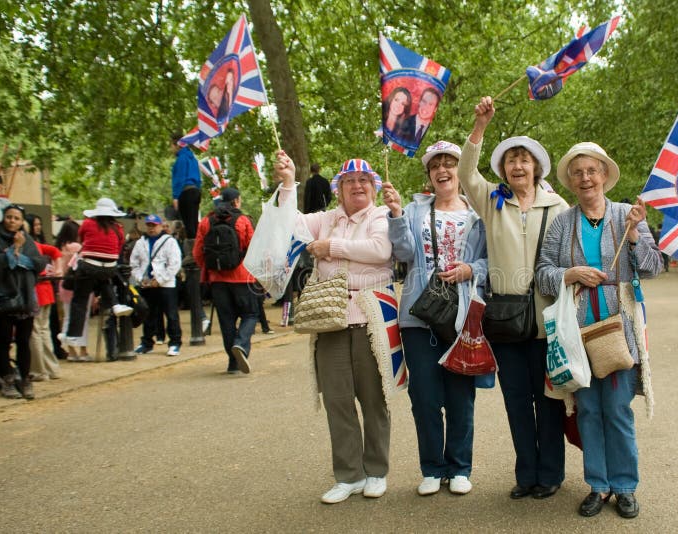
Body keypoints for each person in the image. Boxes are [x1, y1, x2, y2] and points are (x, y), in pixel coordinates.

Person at [537, 142, 663, 519]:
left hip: (619, 328)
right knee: (588, 410)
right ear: (571, 182)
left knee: (618, 409)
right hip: (577, 330)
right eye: (578, 173)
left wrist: (638, 236)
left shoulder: (629, 216)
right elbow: (543, 274)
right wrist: (570, 274)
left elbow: (654, 267)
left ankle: (625, 486)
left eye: (592, 171)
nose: (585, 178)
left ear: (605, 175)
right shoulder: (562, 222)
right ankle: (598, 484)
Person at [459, 96, 570, 500]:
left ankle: (552, 473)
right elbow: (466, 174)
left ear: (536, 167)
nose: (518, 166)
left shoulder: (558, 206)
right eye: (510, 160)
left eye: (524, 159)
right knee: (516, 400)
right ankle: (527, 474)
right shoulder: (492, 201)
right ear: (503, 168)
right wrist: (480, 127)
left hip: (548, 319)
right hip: (505, 318)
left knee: (550, 400)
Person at [274, 152, 394, 504]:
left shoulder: (381, 215)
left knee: (373, 400)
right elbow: (289, 224)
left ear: (372, 187)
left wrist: (331, 249)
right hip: (329, 319)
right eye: (348, 182)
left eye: (363, 181)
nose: (357, 186)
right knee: (337, 400)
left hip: (370, 317)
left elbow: (380, 249)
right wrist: (286, 183)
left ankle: (375, 471)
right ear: (338, 189)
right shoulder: (326, 218)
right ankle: (348, 475)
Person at [383, 141, 488, 496]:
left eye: (450, 164)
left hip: (461, 316)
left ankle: (460, 467)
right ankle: (432, 467)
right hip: (418, 313)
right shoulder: (414, 210)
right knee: (424, 396)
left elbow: (494, 261)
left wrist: (470, 269)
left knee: (461, 396)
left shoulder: (480, 213)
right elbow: (403, 253)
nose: (443, 170)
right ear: (429, 174)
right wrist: (396, 215)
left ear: (461, 171)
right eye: (436, 165)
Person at [193, 188, 258, 374]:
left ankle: (233, 363)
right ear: (236, 201)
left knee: (226, 320)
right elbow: (252, 247)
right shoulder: (243, 220)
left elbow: (198, 253)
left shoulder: (206, 221)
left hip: (217, 280)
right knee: (251, 314)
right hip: (242, 277)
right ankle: (241, 345)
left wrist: (210, 271)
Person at [64, 198, 134, 346]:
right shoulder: (118, 228)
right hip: (110, 266)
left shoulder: (88, 223)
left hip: (89, 265)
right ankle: (115, 304)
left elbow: (82, 239)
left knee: (80, 300)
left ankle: (73, 334)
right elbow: (120, 245)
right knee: (104, 278)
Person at [0, 204, 47, 399]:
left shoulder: (28, 239)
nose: (12, 221)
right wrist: (14, 251)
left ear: (21, 221)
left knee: (24, 341)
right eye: (9, 217)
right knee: (1, 342)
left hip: (26, 297)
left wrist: (19, 256)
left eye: (16, 218)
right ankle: (8, 379)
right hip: (3, 299)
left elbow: (38, 263)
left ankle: (25, 379)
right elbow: (3, 264)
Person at [130, 214, 183, 356]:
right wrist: (141, 279)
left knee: (171, 314)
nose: (151, 228)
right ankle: (147, 342)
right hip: (146, 285)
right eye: (149, 225)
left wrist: (160, 279)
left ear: (160, 225)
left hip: (166, 285)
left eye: (154, 225)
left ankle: (175, 342)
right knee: (149, 314)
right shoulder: (140, 243)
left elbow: (175, 263)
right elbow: (134, 263)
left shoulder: (169, 242)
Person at [55, 220, 92, 362]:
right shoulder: (77, 247)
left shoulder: (60, 247)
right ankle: (83, 350)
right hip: (81, 286)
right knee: (83, 318)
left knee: (68, 317)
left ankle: (71, 350)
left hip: (64, 286)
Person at [28, 236, 63, 381]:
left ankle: (39, 371)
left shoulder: (27, 246)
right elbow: (55, 252)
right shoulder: (36, 244)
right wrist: (59, 269)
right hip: (46, 292)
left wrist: (58, 269)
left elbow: (55, 252)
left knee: (35, 331)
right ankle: (52, 369)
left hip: (36, 292)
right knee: (44, 330)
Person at [170, 132, 202, 239]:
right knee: (194, 223)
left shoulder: (181, 159)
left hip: (185, 192)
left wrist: (175, 197)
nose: (171, 149)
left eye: (171, 145)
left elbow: (180, 178)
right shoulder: (192, 159)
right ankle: (197, 246)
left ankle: (192, 249)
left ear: (177, 145)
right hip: (196, 191)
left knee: (188, 225)